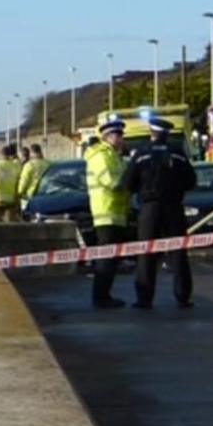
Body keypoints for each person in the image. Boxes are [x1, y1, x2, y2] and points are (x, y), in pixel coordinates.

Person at [125, 117, 197, 309]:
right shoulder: (178, 154)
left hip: (149, 208)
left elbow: (128, 182)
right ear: (167, 134)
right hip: (174, 207)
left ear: (152, 133)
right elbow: (191, 180)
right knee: (178, 251)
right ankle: (183, 295)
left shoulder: (141, 154)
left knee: (146, 253)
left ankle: (144, 297)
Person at [85, 120, 130, 308]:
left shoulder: (114, 156)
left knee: (111, 259)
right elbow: (111, 183)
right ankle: (101, 298)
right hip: (106, 212)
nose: (122, 139)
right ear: (108, 137)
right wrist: (131, 181)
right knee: (106, 258)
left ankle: (105, 295)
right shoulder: (102, 156)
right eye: (118, 136)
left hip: (116, 212)